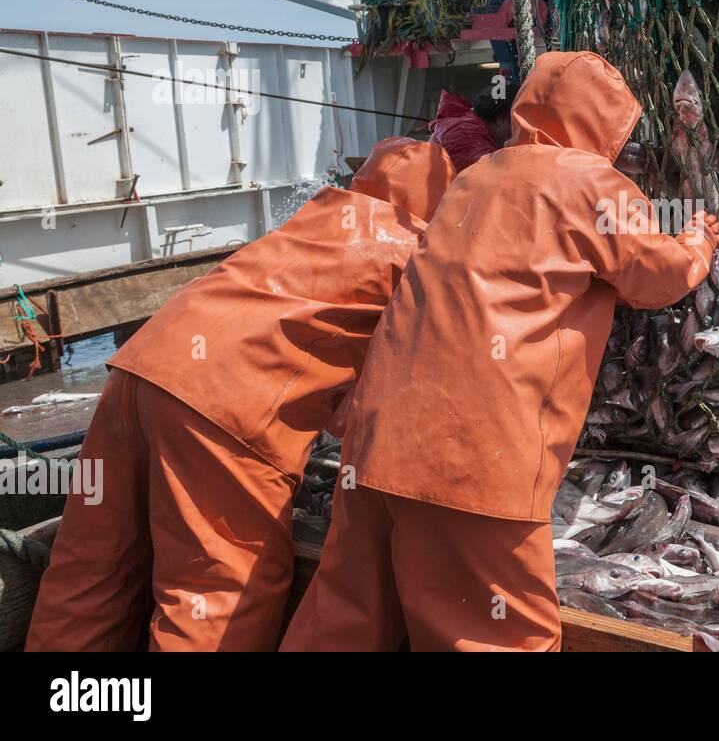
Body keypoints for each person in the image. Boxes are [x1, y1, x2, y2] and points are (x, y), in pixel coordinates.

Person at [281, 51, 719, 652]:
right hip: (476, 462)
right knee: (500, 637)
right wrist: (698, 239)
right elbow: (657, 275)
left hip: (376, 449)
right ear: (607, 127)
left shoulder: (475, 176)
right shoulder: (589, 180)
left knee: (344, 624)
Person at [25, 138, 457, 652]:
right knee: (215, 590)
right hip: (224, 408)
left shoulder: (310, 222)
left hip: (134, 375)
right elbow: (372, 409)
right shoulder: (413, 259)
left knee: (91, 562)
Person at [429, 77, 520, 171]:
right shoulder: (466, 136)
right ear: (501, 119)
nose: (521, 130)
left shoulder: (469, 127)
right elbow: (495, 177)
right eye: (518, 123)